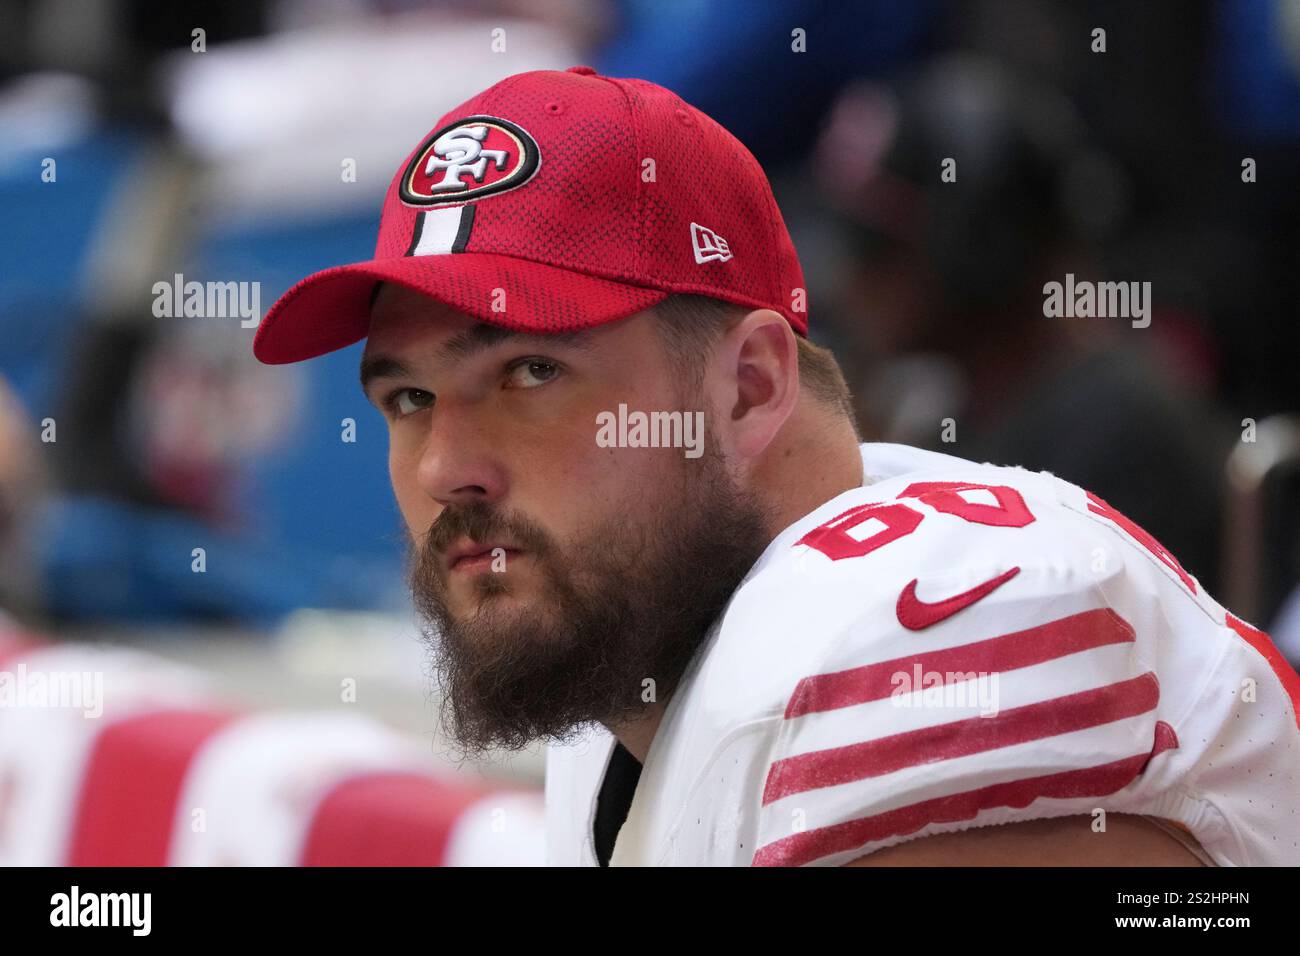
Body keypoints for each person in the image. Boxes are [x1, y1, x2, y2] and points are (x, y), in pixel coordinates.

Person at [254, 67, 1299, 866]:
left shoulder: (927, 638)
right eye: (406, 397)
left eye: (530, 370)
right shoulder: (637, 663)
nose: (445, 465)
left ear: (748, 387)